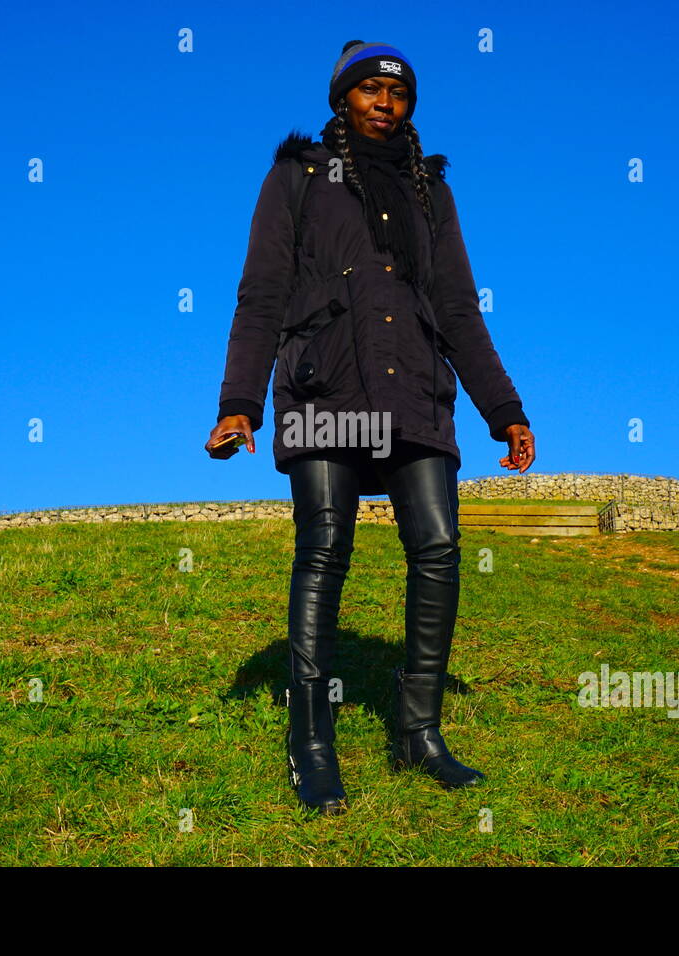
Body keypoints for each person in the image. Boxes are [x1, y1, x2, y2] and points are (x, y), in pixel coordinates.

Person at [206, 40, 536, 814]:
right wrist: (238, 404)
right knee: (324, 545)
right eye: (370, 88)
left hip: (417, 389)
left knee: (440, 545)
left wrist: (505, 411)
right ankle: (312, 742)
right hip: (325, 386)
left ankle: (418, 732)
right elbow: (260, 293)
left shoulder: (430, 190)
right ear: (342, 98)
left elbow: (458, 305)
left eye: (400, 91)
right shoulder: (296, 177)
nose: (387, 100)